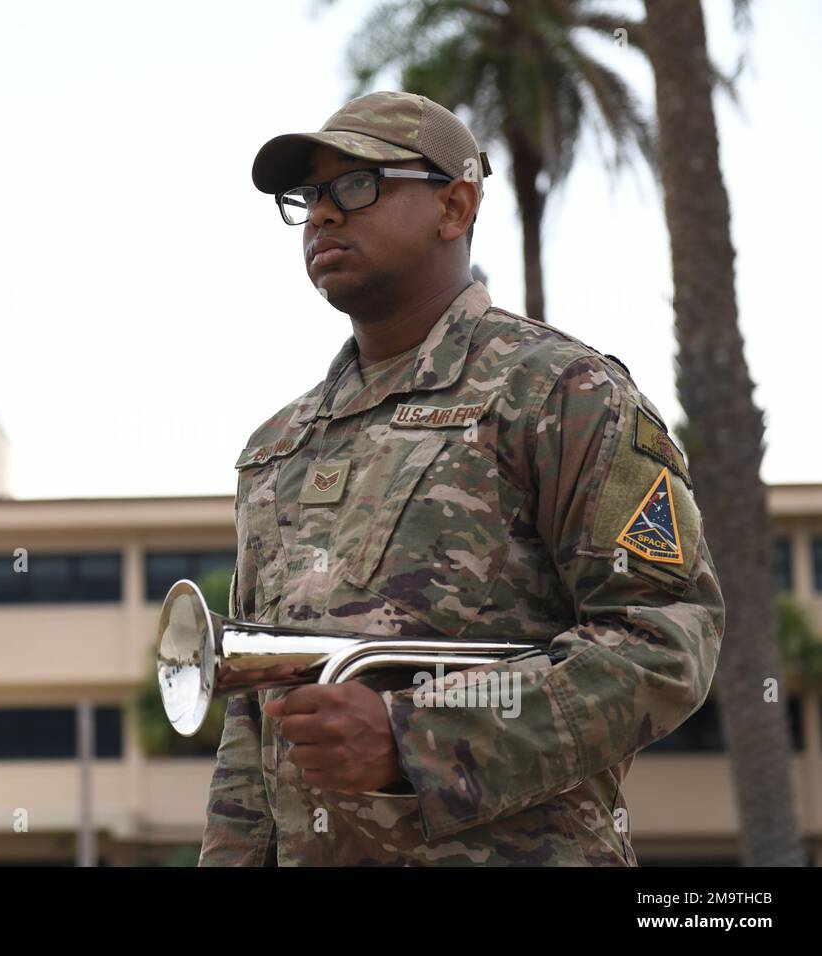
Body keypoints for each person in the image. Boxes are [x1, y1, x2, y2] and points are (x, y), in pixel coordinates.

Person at [197, 91, 725, 866]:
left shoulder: (561, 392)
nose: (321, 215)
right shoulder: (278, 445)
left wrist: (416, 738)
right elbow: (253, 720)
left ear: (454, 204)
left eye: (357, 184)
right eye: (308, 195)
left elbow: (664, 641)